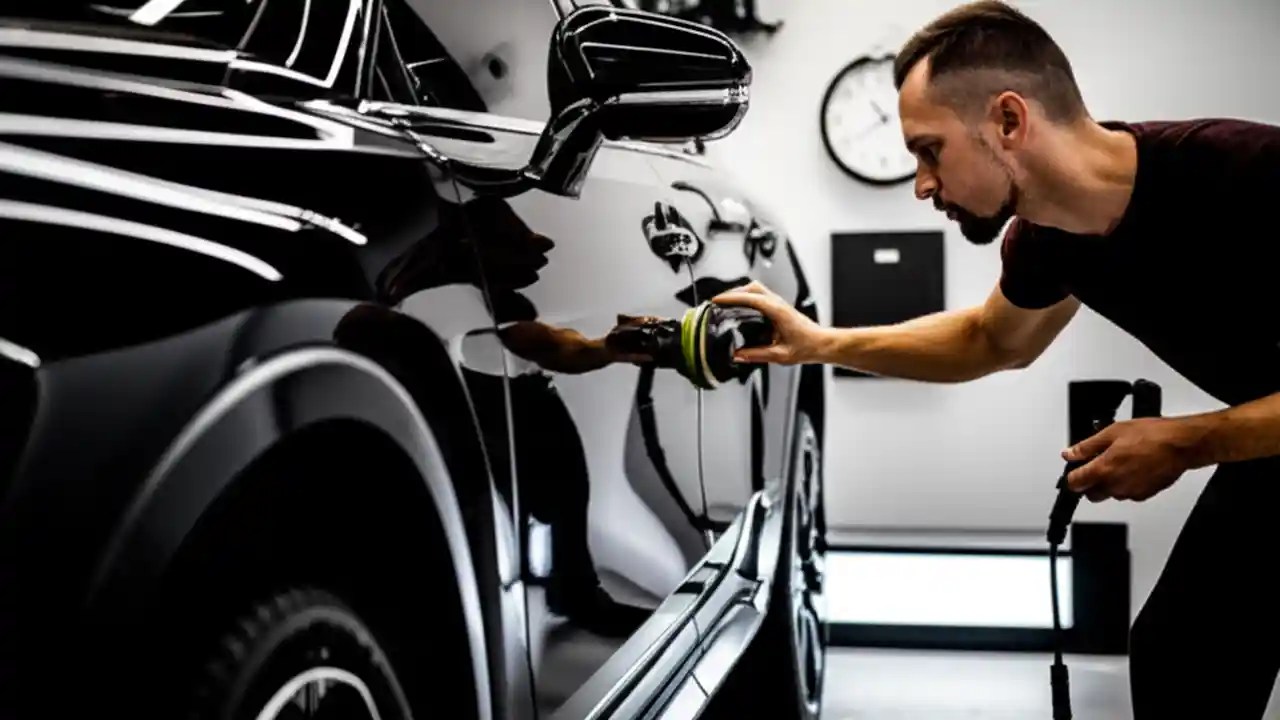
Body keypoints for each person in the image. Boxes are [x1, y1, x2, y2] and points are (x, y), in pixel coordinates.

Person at [712, 1, 1280, 717]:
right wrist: (818, 343)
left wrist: (1191, 440)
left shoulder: (1249, 170)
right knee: (1184, 659)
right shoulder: (1048, 242)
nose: (921, 184)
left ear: (1008, 121)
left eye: (929, 150)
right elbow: (990, 340)